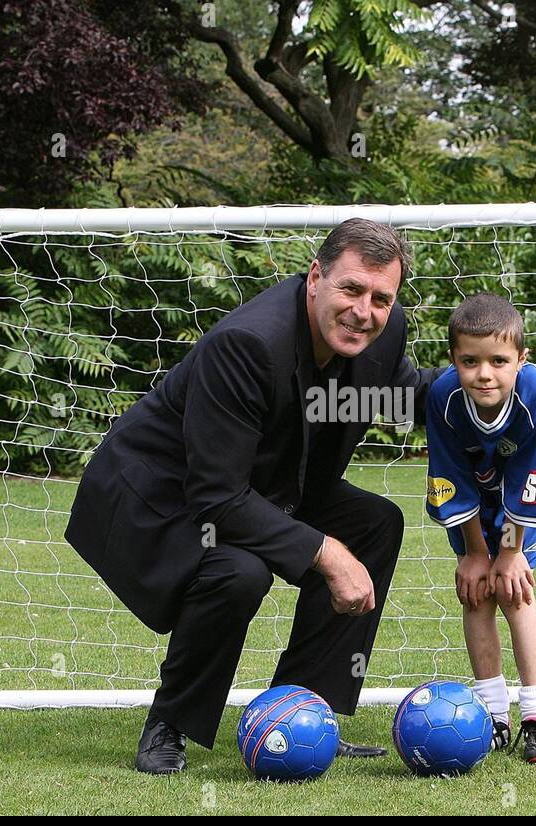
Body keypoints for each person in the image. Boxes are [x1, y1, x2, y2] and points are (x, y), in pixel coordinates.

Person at [64, 218, 443, 774]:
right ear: (316, 277)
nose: (365, 311)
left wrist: (480, 382)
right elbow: (217, 497)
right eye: (351, 289)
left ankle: (303, 711)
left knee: (374, 522)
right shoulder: (246, 345)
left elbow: (401, 395)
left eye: (381, 298)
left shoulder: (384, 332)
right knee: (237, 570)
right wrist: (325, 553)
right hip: (166, 494)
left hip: (265, 483)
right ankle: (169, 724)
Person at [423, 293, 536, 763]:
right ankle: (491, 716)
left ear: (521, 360)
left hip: (527, 501)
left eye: (499, 361)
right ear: (453, 359)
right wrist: (474, 552)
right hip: (472, 502)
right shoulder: (443, 397)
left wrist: (507, 552)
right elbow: (448, 476)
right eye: (470, 361)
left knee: (512, 589)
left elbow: (532, 478)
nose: (484, 373)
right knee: (477, 589)